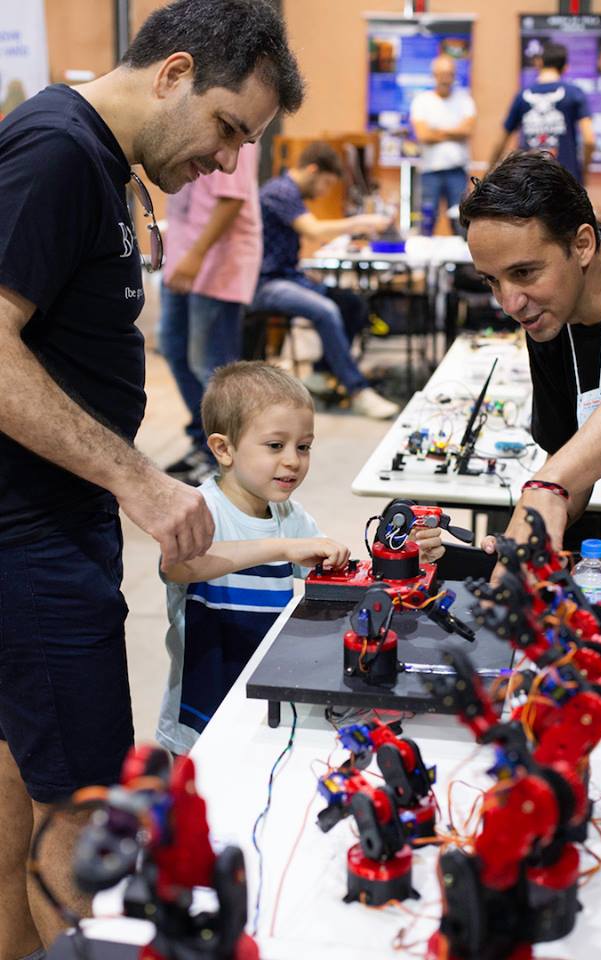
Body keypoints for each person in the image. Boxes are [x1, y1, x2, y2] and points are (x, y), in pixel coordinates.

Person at [0, 0, 303, 951]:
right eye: (227, 129)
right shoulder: (55, 150)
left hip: (49, 528)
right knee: (87, 823)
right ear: (173, 74)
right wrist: (139, 479)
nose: (225, 161)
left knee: (26, 791)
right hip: (32, 539)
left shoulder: (94, 160)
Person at [157, 361, 445, 754]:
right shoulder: (201, 510)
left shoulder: (289, 515)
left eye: (303, 446)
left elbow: (341, 575)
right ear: (223, 449)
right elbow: (179, 564)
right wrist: (281, 547)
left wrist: (406, 557)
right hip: (202, 706)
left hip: (266, 697)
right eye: (275, 446)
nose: (293, 460)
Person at [458, 150, 601, 557]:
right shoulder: (548, 315)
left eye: (524, 273)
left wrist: (546, 486)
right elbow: (567, 457)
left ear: (581, 245)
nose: (509, 303)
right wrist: (527, 531)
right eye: (492, 281)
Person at [253, 142, 400, 420]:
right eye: (326, 183)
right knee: (326, 309)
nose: (324, 192)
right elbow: (315, 231)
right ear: (312, 170)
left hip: (289, 275)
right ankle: (358, 392)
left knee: (351, 303)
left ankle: (320, 375)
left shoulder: (289, 192)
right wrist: (362, 221)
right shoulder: (280, 190)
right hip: (265, 282)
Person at [160, 142, 262, 485]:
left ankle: (223, 459)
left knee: (211, 367)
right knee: (174, 350)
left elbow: (232, 198)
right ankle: (201, 442)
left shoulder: (235, 128)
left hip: (216, 267)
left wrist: (195, 257)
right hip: (183, 260)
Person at [489, 42, 596, 184]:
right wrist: (584, 171)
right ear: (565, 67)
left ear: (539, 63)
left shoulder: (522, 95)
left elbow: (501, 140)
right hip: (566, 179)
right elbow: (589, 140)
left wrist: (489, 171)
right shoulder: (574, 93)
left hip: (530, 181)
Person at [410, 54, 476, 228]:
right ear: (434, 75)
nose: (446, 78)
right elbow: (423, 135)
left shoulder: (465, 100)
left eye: (450, 74)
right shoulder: (422, 101)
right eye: (442, 74)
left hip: (457, 171)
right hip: (429, 171)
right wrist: (454, 131)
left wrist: (436, 130)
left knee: (462, 223)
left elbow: (467, 130)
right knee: (426, 222)